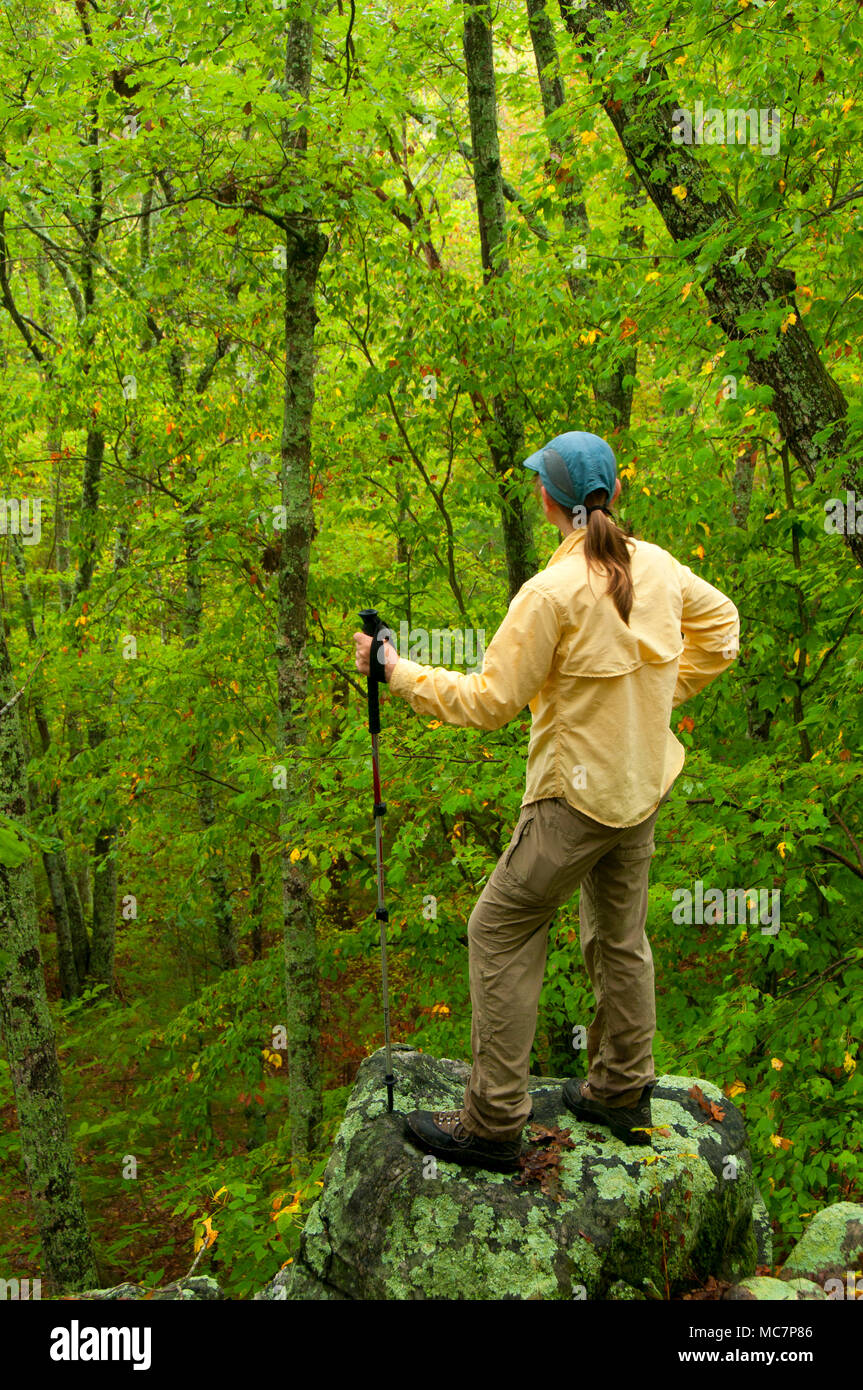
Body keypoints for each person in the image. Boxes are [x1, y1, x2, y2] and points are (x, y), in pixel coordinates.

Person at [353, 431, 739, 1171]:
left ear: (546, 500)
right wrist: (652, 701)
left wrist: (396, 671)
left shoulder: (550, 593)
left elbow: (487, 702)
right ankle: (620, 1087)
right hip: (638, 789)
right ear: (612, 495)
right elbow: (722, 632)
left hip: (572, 802)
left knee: (496, 927)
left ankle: (494, 1119)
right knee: (618, 937)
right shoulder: (655, 565)